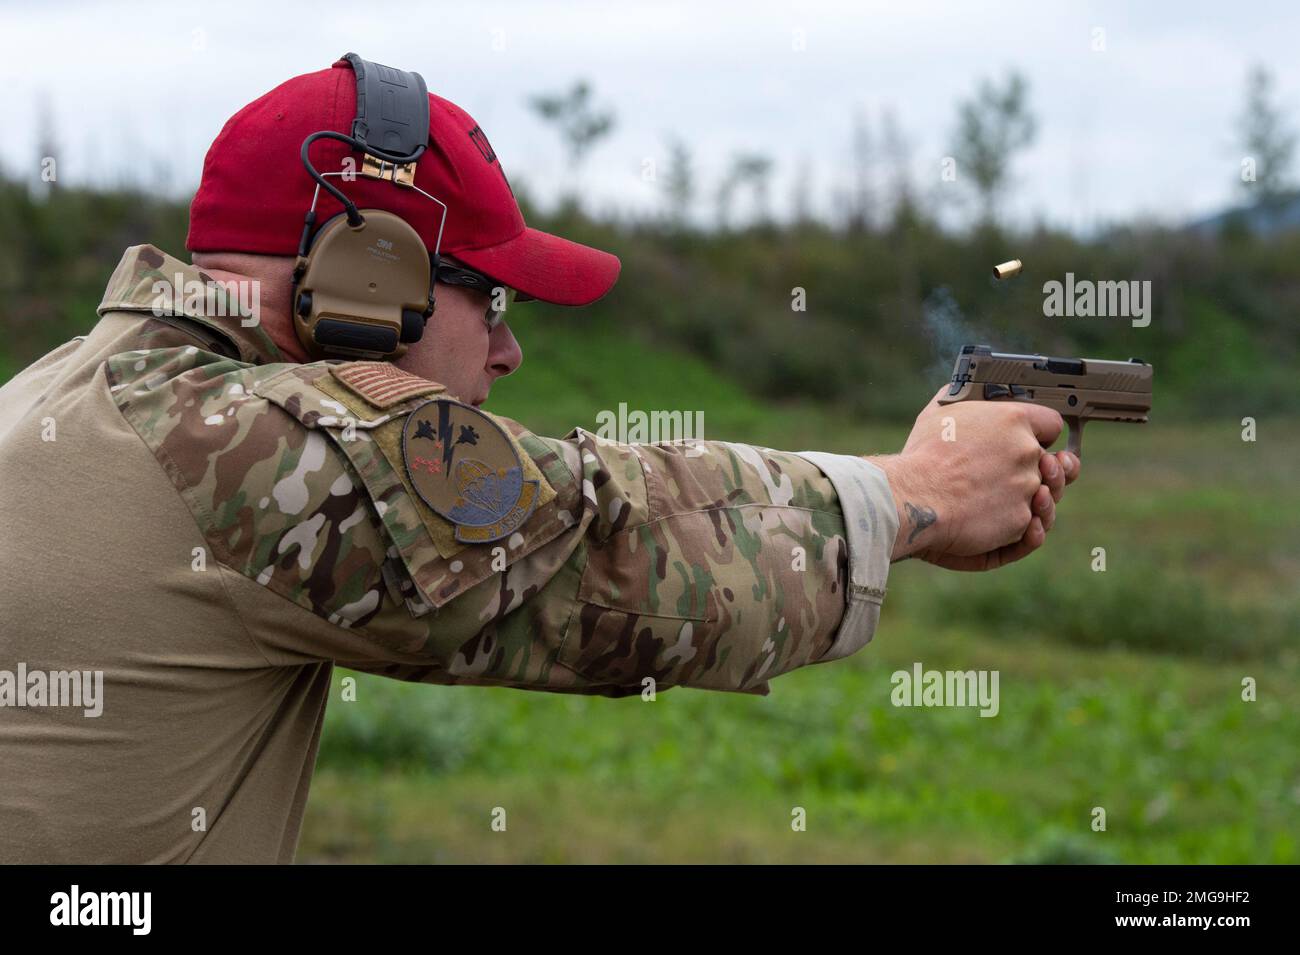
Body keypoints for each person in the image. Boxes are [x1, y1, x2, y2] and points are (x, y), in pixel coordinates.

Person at [0, 57, 1078, 863]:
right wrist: (912, 494)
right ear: (366, 274)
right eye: (493, 300)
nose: (508, 350)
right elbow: (617, 542)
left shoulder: (54, 394)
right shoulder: (249, 453)